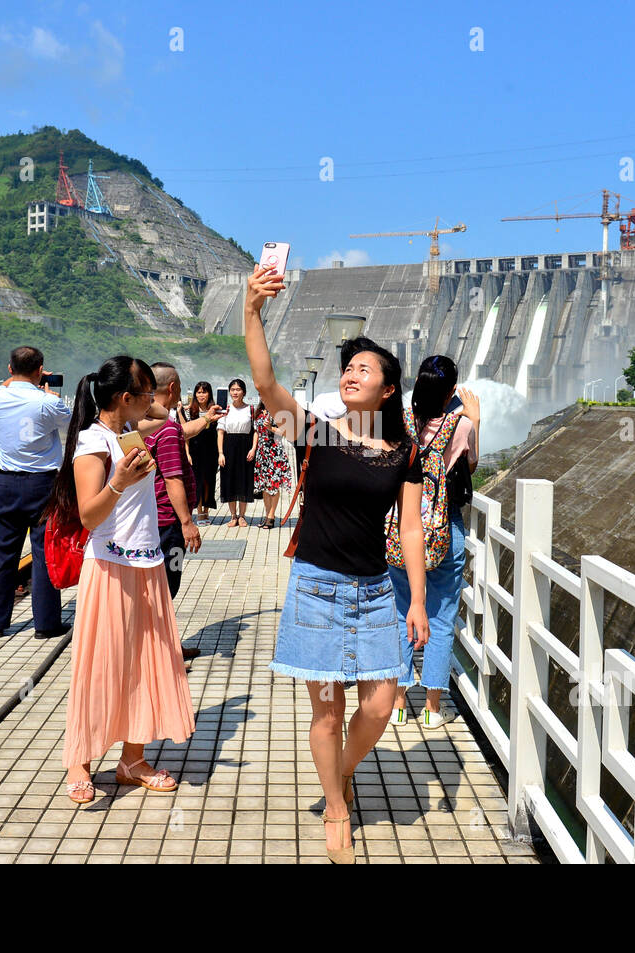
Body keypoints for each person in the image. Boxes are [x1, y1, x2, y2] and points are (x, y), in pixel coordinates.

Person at [244, 263, 429, 864]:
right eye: (348, 367)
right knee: (328, 710)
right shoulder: (317, 435)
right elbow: (267, 383)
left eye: (364, 369)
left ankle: (339, 774)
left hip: (376, 593)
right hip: (317, 588)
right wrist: (252, 308)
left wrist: (419, 601)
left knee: (379, 704)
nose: (351, 373)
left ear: (386, 389)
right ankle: (336, 806)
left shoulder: (403, 453)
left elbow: (409, 529)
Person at [50, 357, 195, 804]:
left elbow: (165, 415)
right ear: (125, 397)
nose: (155, 399)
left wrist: (156, 405)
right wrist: (118, 482)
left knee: (148, 662)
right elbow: (90, 515)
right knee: (101, 663)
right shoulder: (94, 442)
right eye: (145, 391)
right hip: (110, 564)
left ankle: (132, 759)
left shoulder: (126, 433)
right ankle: (81, 761)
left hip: (148, 563)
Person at [386, 356, 480, 729]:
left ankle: (396, 705)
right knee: (440, 620)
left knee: (401, 614)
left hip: (400, 527)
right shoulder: (460, 424)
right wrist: (475, 418)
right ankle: (432, 709)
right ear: (451, 392)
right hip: (444, 531)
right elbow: (471, 465)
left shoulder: (402, 422)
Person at [0, 346, 72, 639]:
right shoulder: (48, 402)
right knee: (44, 553)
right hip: (42, 484)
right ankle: (46, 624)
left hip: (6, 484)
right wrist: (48, 394)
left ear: (9, 369)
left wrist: (23, 378)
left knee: (3, 552)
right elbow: (73, 424)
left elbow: (7, 385)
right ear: (40, 370)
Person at [144, 364, 203, 659]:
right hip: (168, 524)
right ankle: (161, 655)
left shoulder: (143, 423)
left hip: (152, 521)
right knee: (168, 586)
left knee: (158, 589)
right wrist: (187, 522)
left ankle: (167, 647)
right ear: (173, 387)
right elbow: (172, 478)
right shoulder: (166, 429)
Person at [216, 378, 256, 526]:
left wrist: (253, 448)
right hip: (229, 446)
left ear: (244, 392)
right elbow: (220, 432)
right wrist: (221, 453)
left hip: (245, 446)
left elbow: (255, 431)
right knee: (229, 480)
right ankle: (233, 516)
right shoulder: (225, 409)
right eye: (232, 389)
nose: (235, 392)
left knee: (244, 480)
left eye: (238, 389)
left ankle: (242, 516)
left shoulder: (250, 409)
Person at [180, 382, 220, 524]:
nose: (201, 395)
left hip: (211, 450)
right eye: (199, 392)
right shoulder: (190, 411)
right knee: (196, 481)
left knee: (209, 480)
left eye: (204, 392)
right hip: (195, 449)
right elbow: (186, 433)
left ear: (209, 394)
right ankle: (198, 512)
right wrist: (187, 453)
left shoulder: (215, 410)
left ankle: (206, 511)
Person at [251, 396, 293, 529]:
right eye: (261, 394)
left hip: (274, 451)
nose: (263, 396)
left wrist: (271, 428)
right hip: (261, 452)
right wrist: (253, 448)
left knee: (273, 485)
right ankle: (267, 514)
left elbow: (286, 432)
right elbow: (256, 432)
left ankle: (271, 516)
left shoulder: (278, 411)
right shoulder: (258, 412)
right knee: (264, 486)